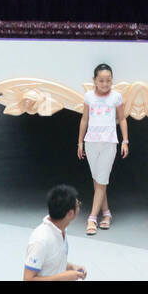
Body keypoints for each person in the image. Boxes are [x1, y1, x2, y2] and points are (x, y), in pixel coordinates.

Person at [77, 63, 129, 235]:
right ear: (94, 80)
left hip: (109, 143)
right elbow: (84, 120)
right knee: (98, 179)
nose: (105, 84)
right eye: (101, 80)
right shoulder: (88, 97)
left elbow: (122, 119)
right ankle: (106, 214)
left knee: (102, 180)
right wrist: (80, 143)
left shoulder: (116, 97)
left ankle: (92, 218)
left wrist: (125, 141)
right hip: (91, 142)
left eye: (108, 80)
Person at [23, 185, 87, 281]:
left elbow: (51, 262)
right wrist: (63, 277)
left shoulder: (61, 230)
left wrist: (71, 267)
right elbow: (28, 279)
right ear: (70, 213)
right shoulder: (41, 240)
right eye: (78, 205)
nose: (79, 207)